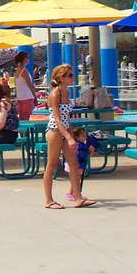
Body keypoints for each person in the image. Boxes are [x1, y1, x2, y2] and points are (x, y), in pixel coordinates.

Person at [42, 64, 95, 209]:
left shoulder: (67, 92)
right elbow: (58, 119)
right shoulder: (55, 94)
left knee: (74, 163)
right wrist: (69, 137)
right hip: (54, 131)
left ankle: (78, 197)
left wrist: (71, 135)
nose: (73, 77)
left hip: (66, 131)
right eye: (70, 75)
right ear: (61, 78)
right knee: (51, 165)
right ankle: (49, 200)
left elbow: (66, 117)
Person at [65, 126, 91, 203]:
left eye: (85, 136)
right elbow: (76, 156)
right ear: (77, 137)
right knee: (76, 179)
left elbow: (85, 156)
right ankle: (71, 193)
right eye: (83, 136)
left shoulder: (83, 145)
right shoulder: (78, 146)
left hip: (80, 165)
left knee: (77, 179)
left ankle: (76, 193)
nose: (85, 138)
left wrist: (90, 151)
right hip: (76, 166)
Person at [12, 51, 37, 121]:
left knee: (21, 117)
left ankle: (21, 132)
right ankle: (24, 132)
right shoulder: (24, 71)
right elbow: (30, 85)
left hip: (20, 97)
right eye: (28, 58)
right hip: (27, 97)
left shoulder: (17, 70)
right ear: (25, 58)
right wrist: (35, 97)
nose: (29, 59)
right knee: (26, 118)